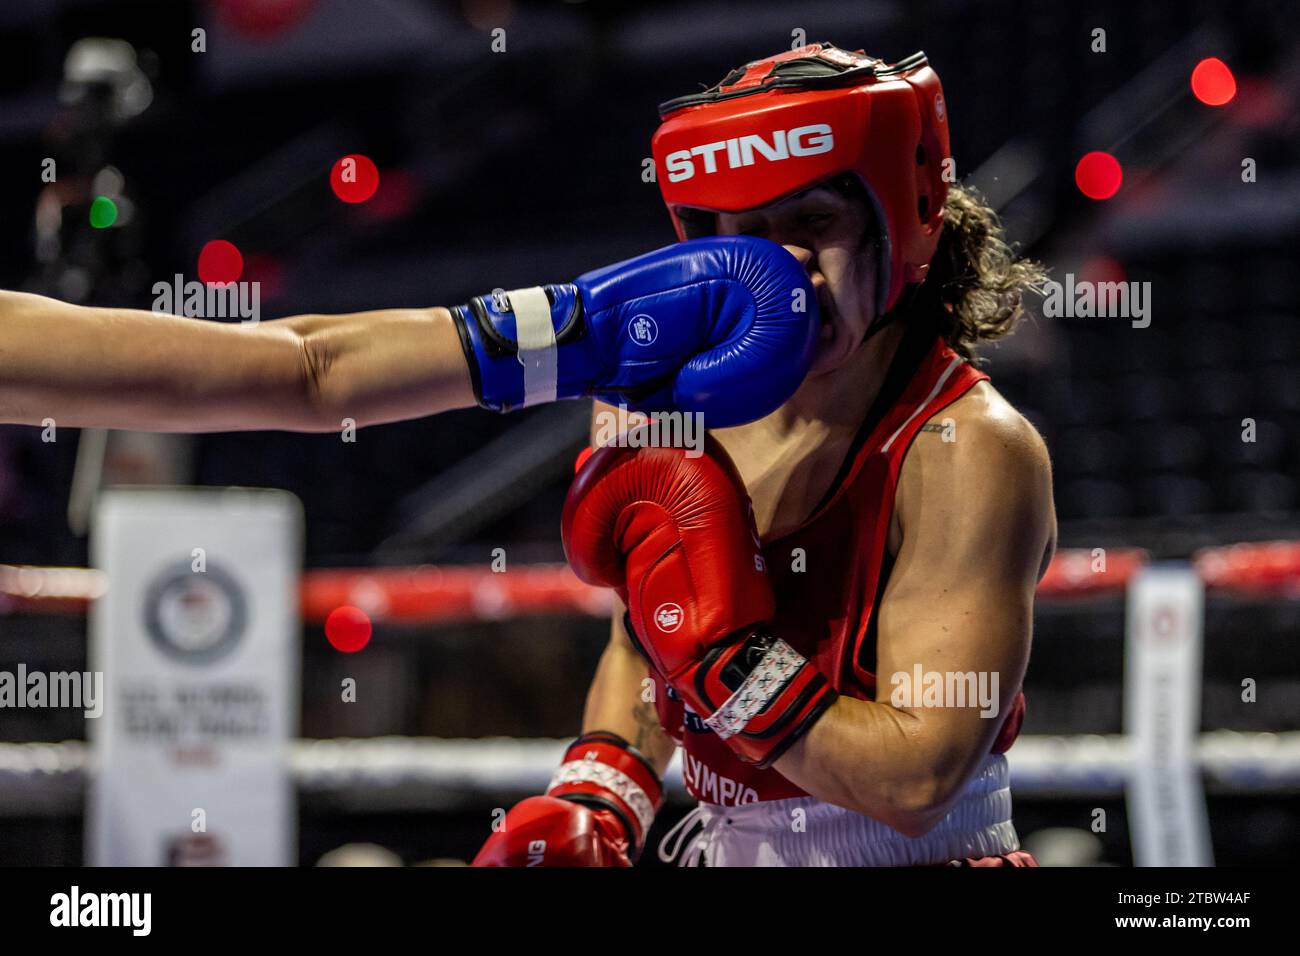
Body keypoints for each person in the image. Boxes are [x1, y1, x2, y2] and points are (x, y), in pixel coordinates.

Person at [473, 43, 1054, 867]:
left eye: (813, 222)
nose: (776, 270)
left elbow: (915, 783)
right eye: (743, 235)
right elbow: (646, 644)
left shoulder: (965, 450)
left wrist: (724, 663)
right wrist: (604, 797)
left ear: (899, 216)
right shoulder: (668, 407)